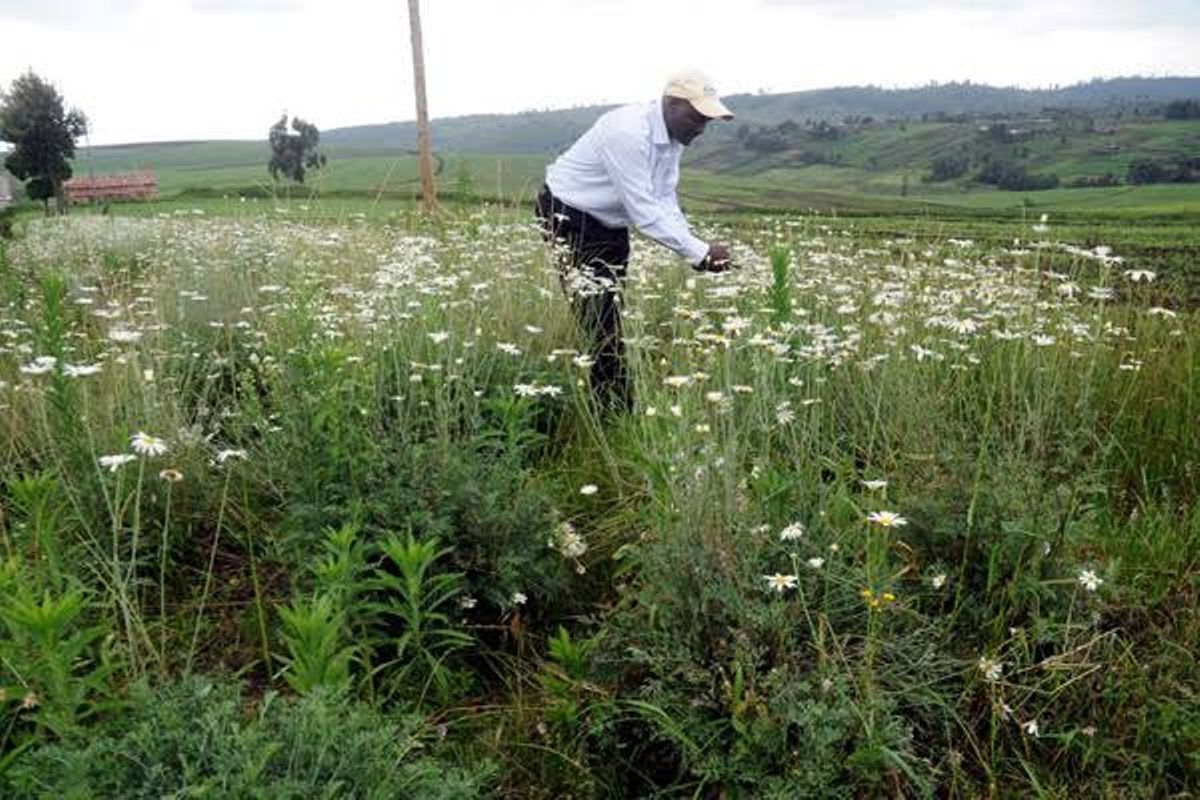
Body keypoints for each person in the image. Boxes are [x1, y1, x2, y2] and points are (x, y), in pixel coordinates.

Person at [536, 69, 736, 414]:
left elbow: (664, 198)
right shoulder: (627, 132)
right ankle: (613, 410)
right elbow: (645, 212)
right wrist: (701, 253)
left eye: (708, 120)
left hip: (607, 222)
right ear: (672, 103)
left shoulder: (672, 138)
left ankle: (612, 399)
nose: (701, 128)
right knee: (599, 316)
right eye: (697, 117)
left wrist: (696, 247)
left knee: (610, 306)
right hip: (569, 215)